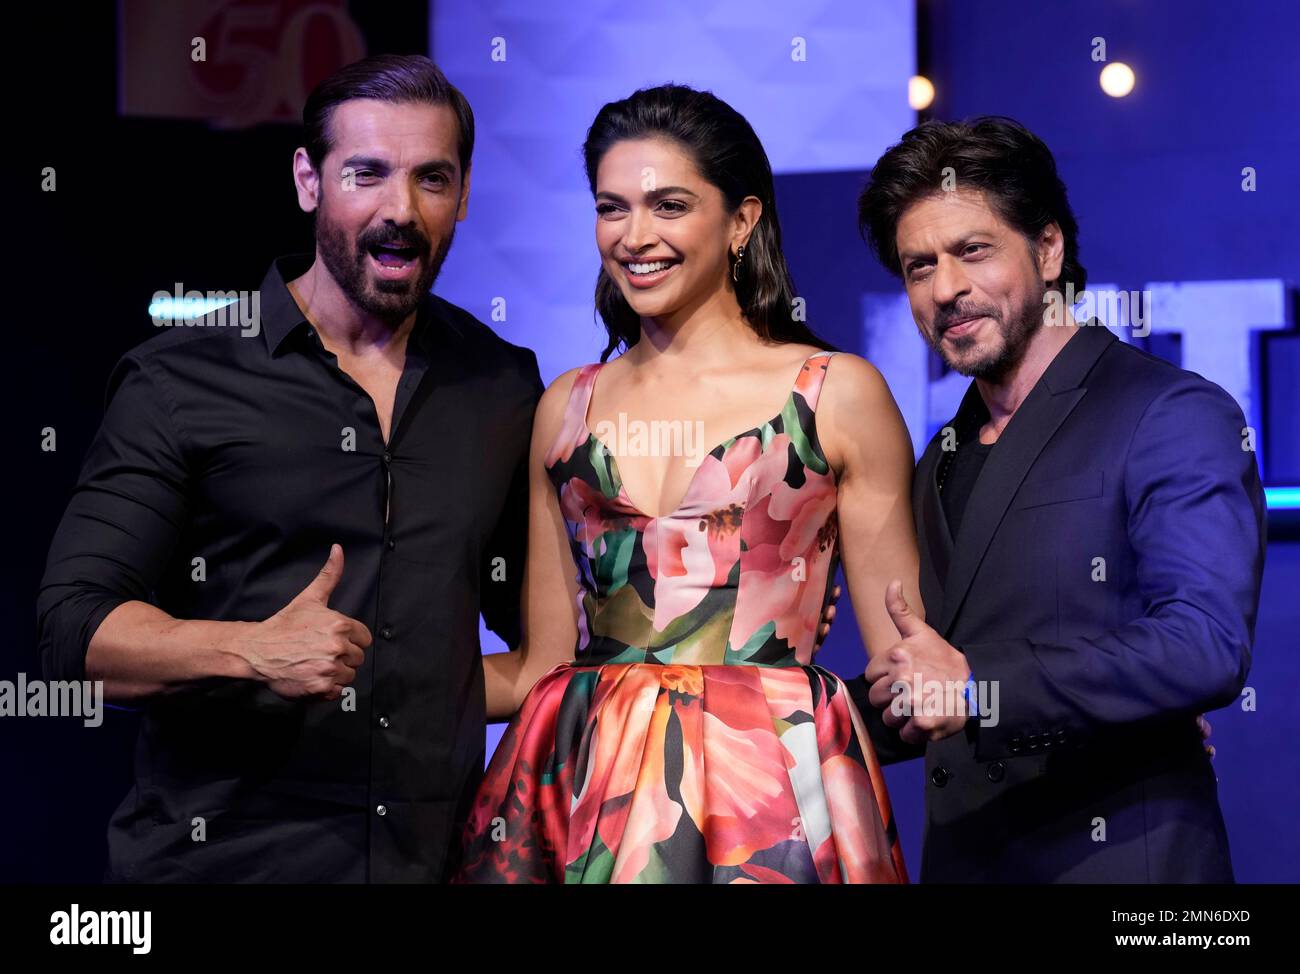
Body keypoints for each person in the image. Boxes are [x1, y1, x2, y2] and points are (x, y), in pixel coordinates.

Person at [36, 55, 543, 882]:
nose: (400, 212)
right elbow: (72, 627)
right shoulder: (182, 379)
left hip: (436, 865)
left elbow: (537, 643)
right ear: (308, 180)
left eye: (431, 179)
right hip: (227, 865)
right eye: (366, 174)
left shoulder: (500, 383)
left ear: (464, 192)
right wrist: (251, 651)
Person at [453, 85, 919, 884]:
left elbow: (904, 663)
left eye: (669, 205)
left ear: (742, 221)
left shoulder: (836, 391)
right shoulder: (565, 405)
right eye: (612, 207)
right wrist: (363, 694)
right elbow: (540, 667)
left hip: (770, 795)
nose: (636, 236)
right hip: (579, 787)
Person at [845, 116, 1265, 882]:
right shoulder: (938, 456)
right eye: (918, 266)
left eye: (973, 251)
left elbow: (1203, 644)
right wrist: (747, 712)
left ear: (1047, 249)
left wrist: (980, 686)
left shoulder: (1169, 412)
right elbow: (929, 689)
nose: (946, 289)